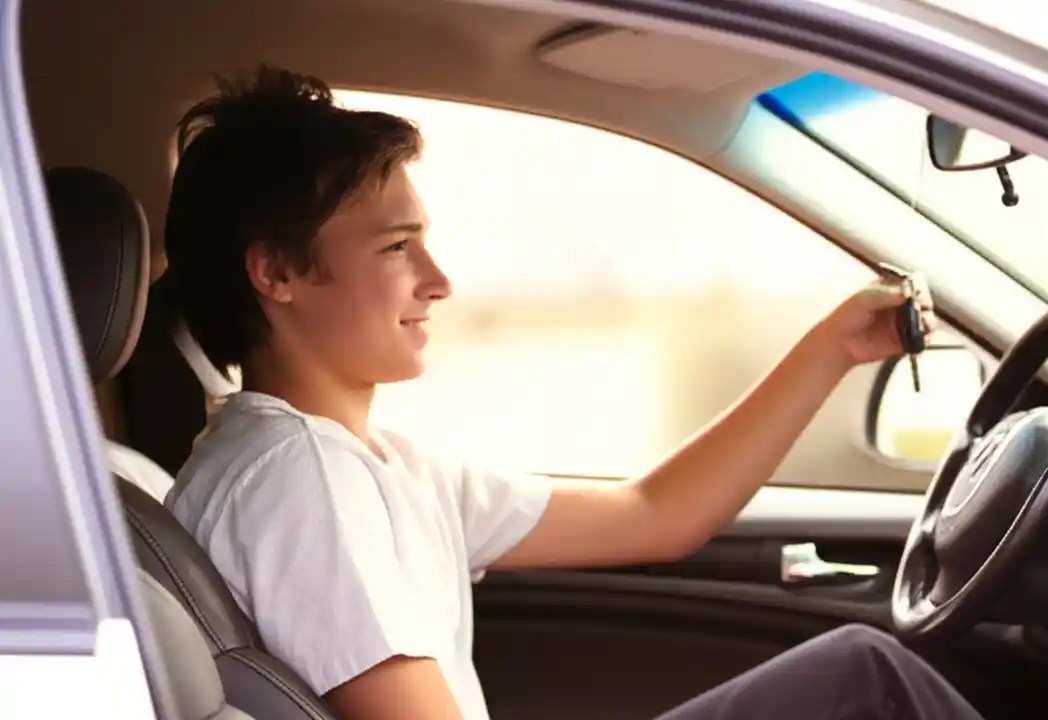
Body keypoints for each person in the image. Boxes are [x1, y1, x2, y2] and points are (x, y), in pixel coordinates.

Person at [163, 65, 982, 720]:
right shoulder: (299, 480)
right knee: (866, 684)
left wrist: (834, 347)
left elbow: (656, 515)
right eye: (396, 248)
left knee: (854, 672)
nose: (438, 281)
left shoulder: (368, 464)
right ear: (276, 272)